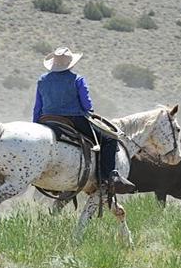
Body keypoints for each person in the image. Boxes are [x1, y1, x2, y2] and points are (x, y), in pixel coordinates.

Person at [34, 47, 136, 194]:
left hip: (46, 120)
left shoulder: (42, 80)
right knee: (109, 139)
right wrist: (88, 111)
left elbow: (37, 107)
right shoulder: (77, 80)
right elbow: (87, 105)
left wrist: (36, 124)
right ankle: (107, 178)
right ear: (71, 64)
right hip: (73, 119)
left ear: (54, 64)